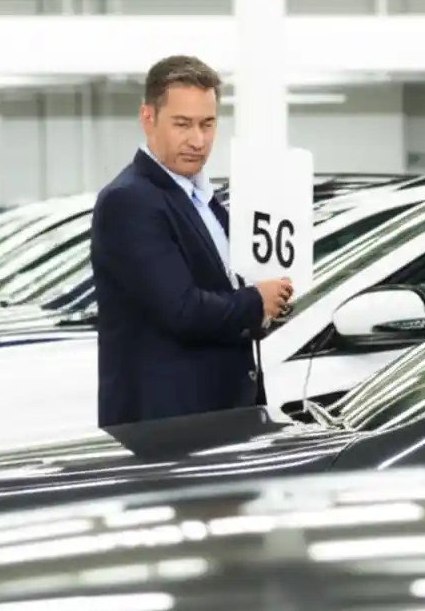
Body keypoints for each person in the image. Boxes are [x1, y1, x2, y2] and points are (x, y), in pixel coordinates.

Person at [91, 55, 293, 428]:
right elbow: (180, 309)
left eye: (208, 124)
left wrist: (270, 300)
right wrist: (255, 301)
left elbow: (225, 286)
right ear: (148, 118)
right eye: (182, 124)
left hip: (218, 416)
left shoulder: (204, 199)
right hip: (166, 426)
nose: (198, 140)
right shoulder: (130, 199)